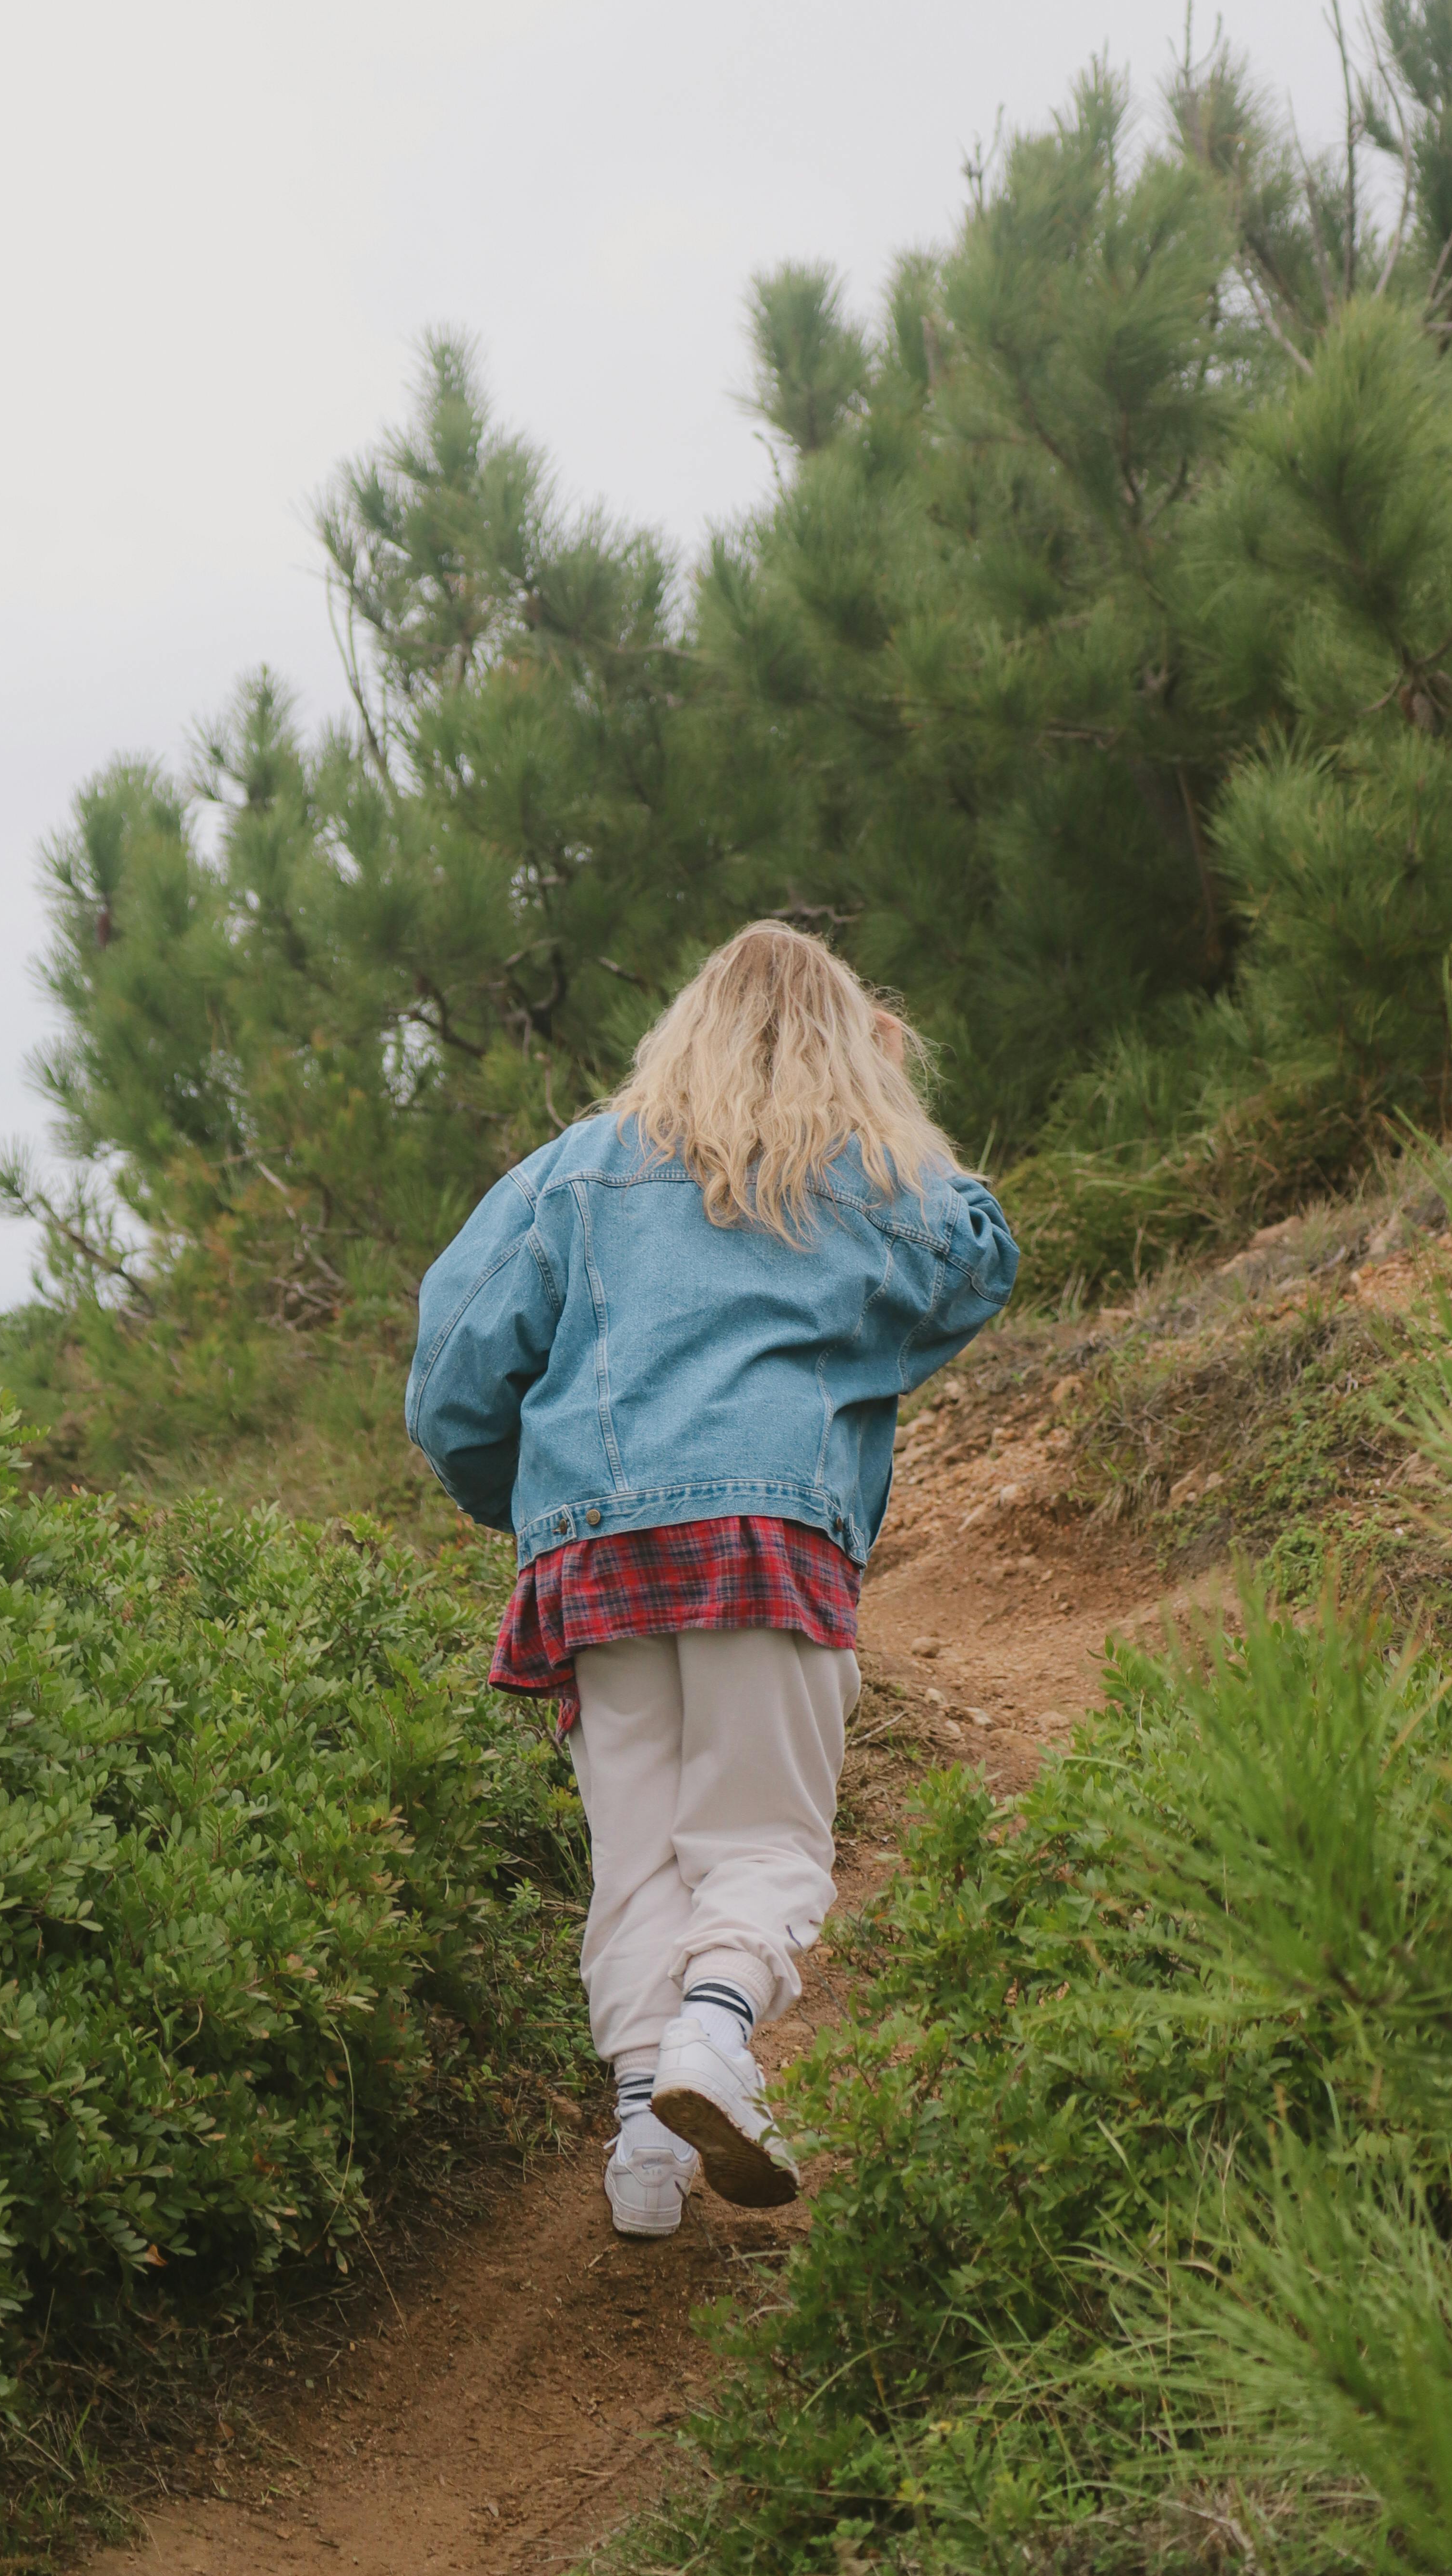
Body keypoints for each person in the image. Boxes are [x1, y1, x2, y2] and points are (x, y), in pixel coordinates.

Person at [404, 922, 1018, 2236]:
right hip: (766, 1536)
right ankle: (712, 2040)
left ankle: (643, 2154)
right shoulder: (863, 1175)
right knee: (761, 1836)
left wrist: (527, 1505)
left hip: (591, 1548)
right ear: (859, 1042)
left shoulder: (575, 1171)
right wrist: (886, 1105)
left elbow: (452, 1370)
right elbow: (979, 1262)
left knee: (635, 1854)